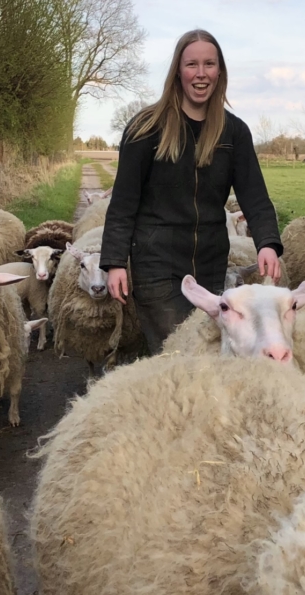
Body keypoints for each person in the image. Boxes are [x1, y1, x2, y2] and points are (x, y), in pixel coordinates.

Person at [100, 29, 283, 355]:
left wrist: (267, 242)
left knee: (210, 355)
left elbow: (254, 195)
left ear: (219, 72)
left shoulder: (234, 132)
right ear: (178, 71)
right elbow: (124, 202)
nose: (201, 73)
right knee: (177, 357)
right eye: (192, 65)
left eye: (209, 64)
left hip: (210, 266)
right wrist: (114, 262)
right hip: (157, 267)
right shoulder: (146, 129)